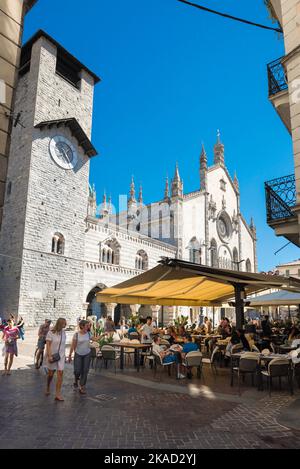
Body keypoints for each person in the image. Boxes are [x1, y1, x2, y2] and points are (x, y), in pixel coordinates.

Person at [44, 318, 67, 401]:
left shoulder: (64, 333)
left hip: (61, 357)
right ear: (60, 324)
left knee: (60, 373)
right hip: (52, 356)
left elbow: (63, 345)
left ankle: (57, 394)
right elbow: (48, 345)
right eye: (64, 323)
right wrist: (49, 356)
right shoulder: (51, 333)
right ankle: (48, 386)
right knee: (50, 374)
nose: (66, 325)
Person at [68, 320, 93, 395]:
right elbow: (73, 345)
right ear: (82, 326)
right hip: (78, 354)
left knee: (85, 370)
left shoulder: (89, 334)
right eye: (87, 325)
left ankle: (82, 386)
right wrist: (70, 355)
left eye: (88, 325)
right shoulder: (76, 335)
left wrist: (102, 335)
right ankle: (76, 378)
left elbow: (95, 339)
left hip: (87, 354)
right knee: (77, 371)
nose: (88, 327)